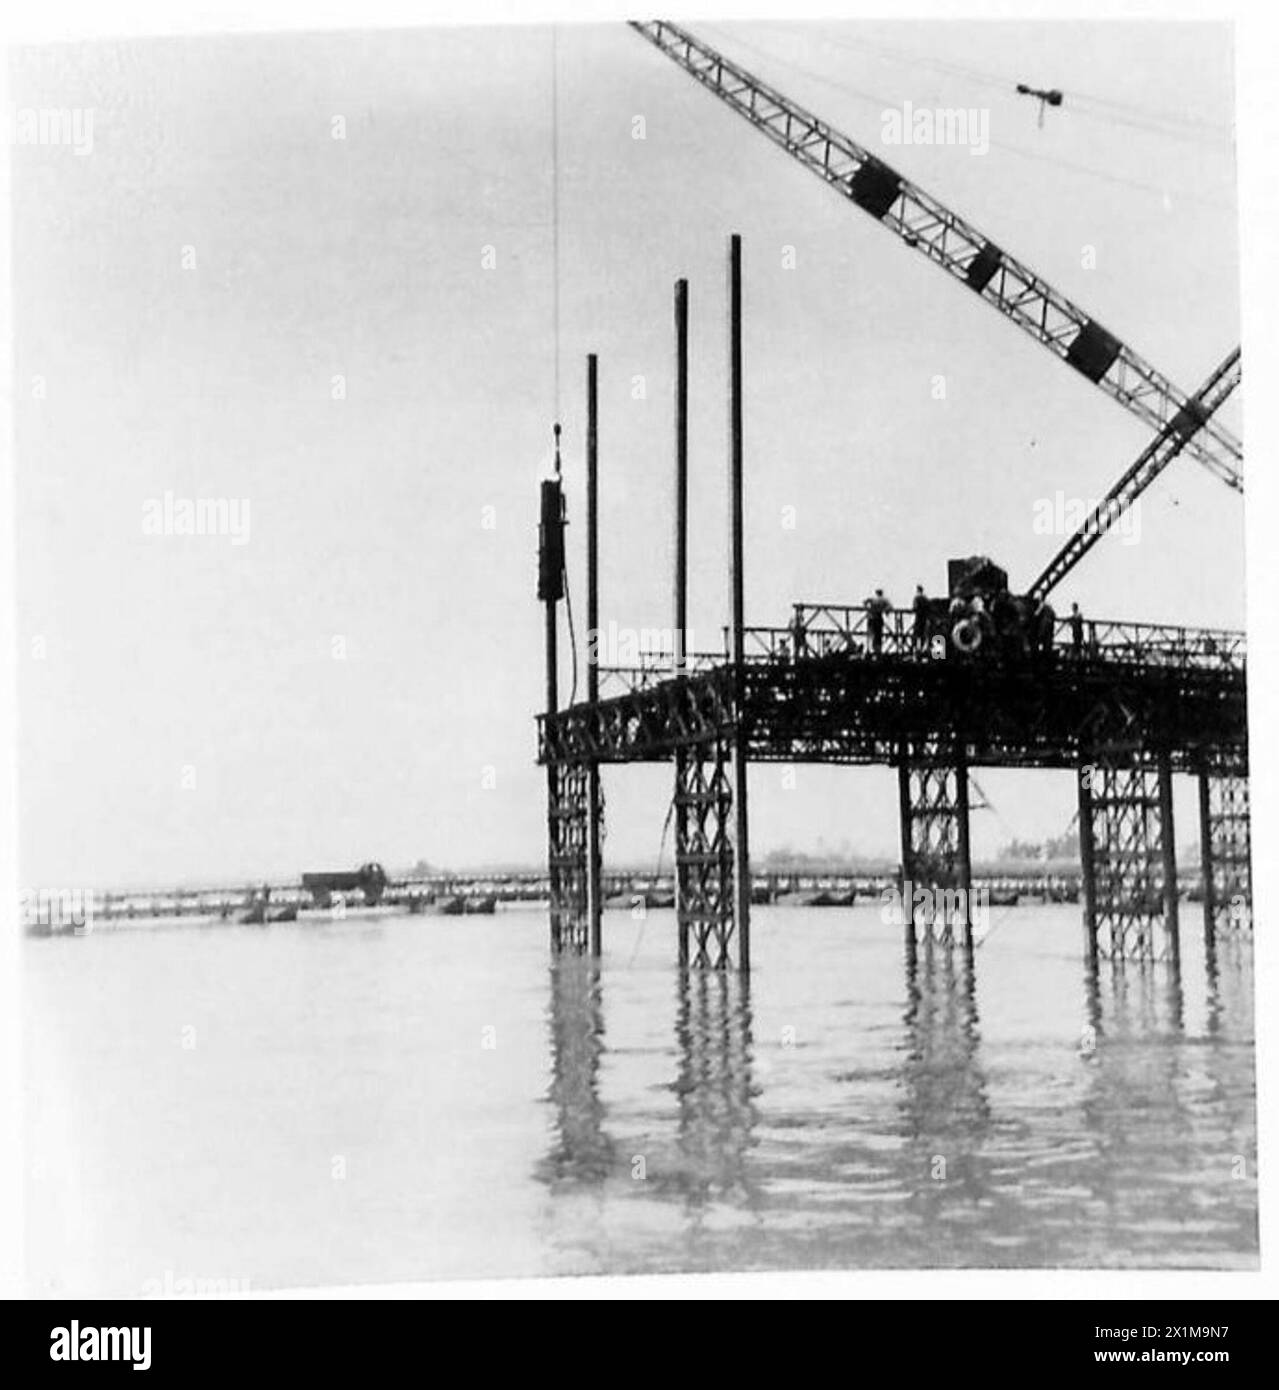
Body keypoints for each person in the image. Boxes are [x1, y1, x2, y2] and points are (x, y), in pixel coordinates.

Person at [865, 588, 891, 654]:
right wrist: (885, 611)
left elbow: (865, 602)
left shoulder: (873, 599)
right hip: (879, 618)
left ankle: (871, 648)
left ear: (876, 593)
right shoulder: (884, 600)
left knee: (872, 634)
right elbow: (890, 607)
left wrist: (868, 609)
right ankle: (878, 649)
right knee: (878, 634)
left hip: (871, 618)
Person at [911, 585, 929, 651]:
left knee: (916, 633)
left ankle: (915, 647)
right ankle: (921, 647)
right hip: (924, 617)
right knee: (923, 633)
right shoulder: (925, 598)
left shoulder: (916, 598)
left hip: (918, 617)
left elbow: (914, 607)